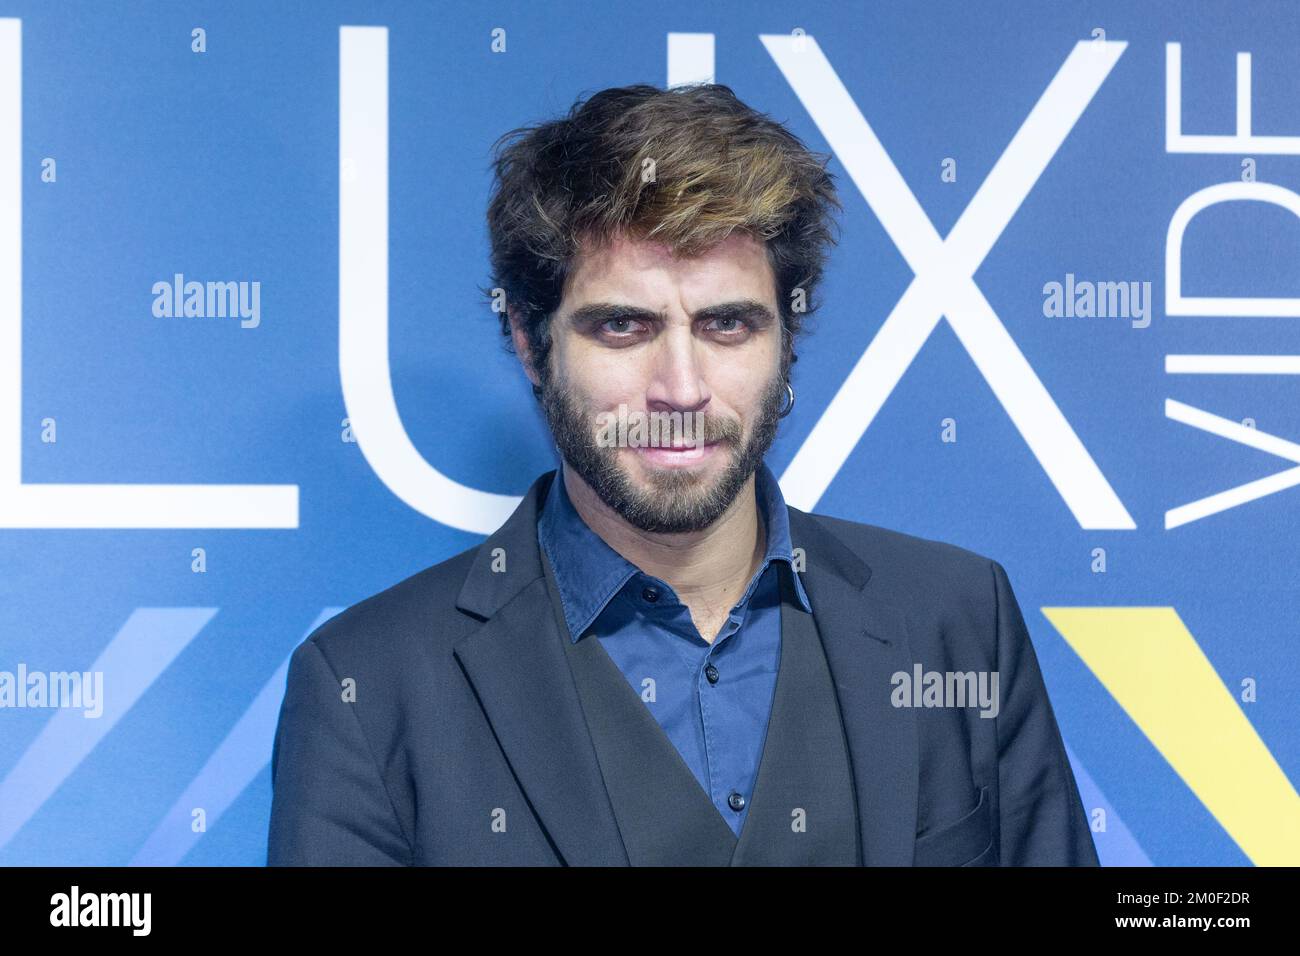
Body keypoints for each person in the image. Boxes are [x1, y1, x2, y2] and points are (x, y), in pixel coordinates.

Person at [267, 83, 1098, 866]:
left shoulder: (955, 619)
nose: (682, 388)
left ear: (786, 337)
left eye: (728, 324)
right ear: (529, 338)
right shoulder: (366, 689)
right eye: (623, 326)